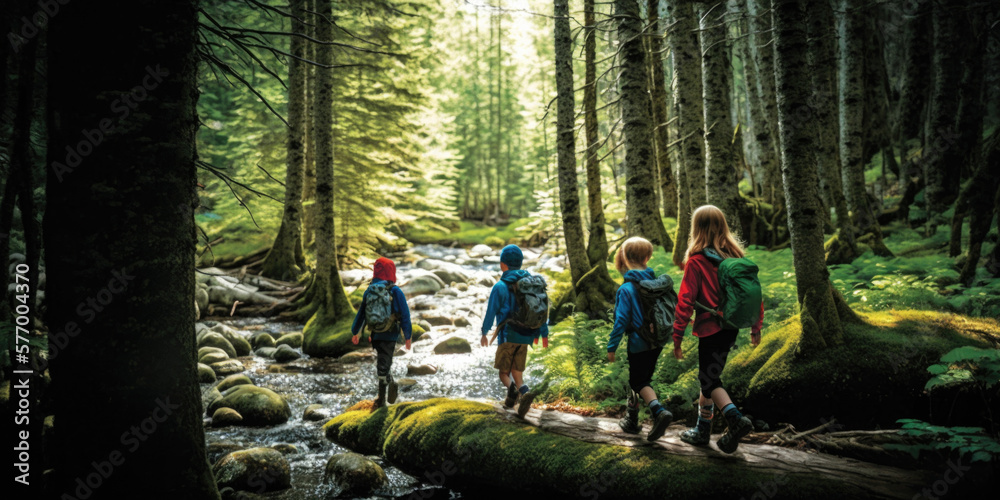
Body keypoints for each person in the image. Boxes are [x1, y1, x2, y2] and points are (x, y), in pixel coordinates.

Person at [673, 205, 763, 453]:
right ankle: (702, 430)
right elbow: (756, 295)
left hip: (710, 328)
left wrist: (677, 336)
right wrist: (756, 327)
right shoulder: (735, 257)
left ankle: (736, 419)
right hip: (731, 327)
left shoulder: (696, 261)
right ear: (723, 226)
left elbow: (685, 301)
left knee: (709, 379)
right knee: (709, 377)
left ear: (696, 228)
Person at [607, 236, 674, 442]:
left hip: (638, 342)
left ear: (625, 258)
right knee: (639, 379)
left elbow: (620, 321)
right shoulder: (657, 284)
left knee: (639, 381)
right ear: (647, 257)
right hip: (658, 341)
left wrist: (612, 346)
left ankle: (658, 411)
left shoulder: (626, 289)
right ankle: (632, 418)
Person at [480, 244, 549, 418]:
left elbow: (490, 313)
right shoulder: (530, 285)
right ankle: (522, 395)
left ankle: (513, 392)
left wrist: (484, 332)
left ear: (502, 264)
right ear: (520, 263)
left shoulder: (500, 286)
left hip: (507, 336)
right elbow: (541, 310)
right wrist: (543, 333)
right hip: (526, 336)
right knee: (517, 373)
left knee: (504, 373)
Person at [351, 257, 412, 408]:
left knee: (383, 362)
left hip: (375, 333)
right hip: (390, 333)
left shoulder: (369, 291)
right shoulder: (395, 291)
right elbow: (405, 314)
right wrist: (408, 336)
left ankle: (383, 394)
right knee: (384, 363)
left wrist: (355, 331)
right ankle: (382, 398)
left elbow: (361, 313)